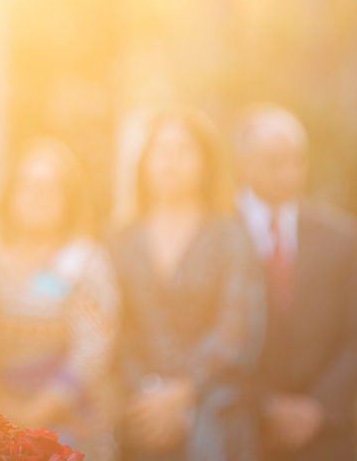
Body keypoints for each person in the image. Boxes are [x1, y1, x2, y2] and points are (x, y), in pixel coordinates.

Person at [110, 108, 264, 461]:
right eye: (161, 151)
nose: (170, 162)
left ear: (206, 163)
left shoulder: (231, 236)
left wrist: (181, 393)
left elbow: (237, 329)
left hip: (214, 412)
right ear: (144, 162)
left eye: (183, 151)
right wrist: (149, 396)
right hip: (136, 412)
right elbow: (114, 328)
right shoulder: (120, 240)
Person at [235, 105, 357, 461]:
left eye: (298, 160)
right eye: (274, 161)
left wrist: (316, 408)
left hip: (326, 434)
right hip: (239, 430)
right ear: (245, 162)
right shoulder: (218, 232)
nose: (289, 172)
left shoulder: (340, 237)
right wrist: (265, 405)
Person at [0, 138, 119, 459]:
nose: (39, 197)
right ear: (11, 194)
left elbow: (92, 351)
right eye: (29, 186)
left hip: (71, 429)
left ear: (69, 199)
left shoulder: (86, 262)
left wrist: (35, 414)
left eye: (52, 188)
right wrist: (0, 407)